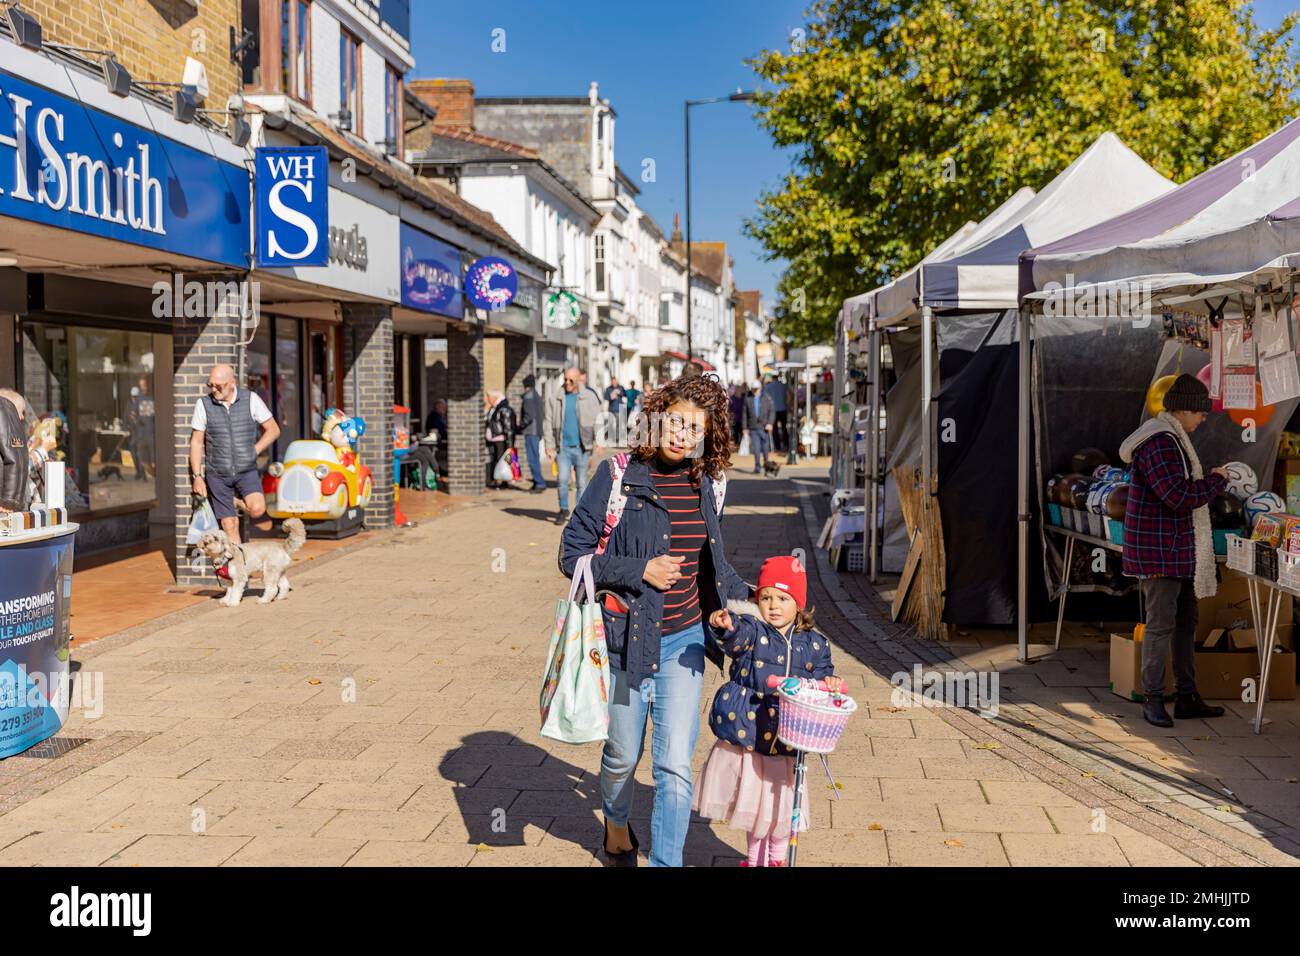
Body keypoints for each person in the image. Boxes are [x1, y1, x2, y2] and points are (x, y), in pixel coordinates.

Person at [559, 375, 751, 867]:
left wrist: (750, 608)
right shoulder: (618, 474)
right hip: (626, 637)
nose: (681, 434)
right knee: (623, 756)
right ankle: (616, 825)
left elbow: (713, 563)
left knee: (673, 766)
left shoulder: (710, 483)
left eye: (694, 428)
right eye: (676, 421)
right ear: (658, 414)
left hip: (685, 639)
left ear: (708, 435)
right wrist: (637, 569)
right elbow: (571, 554)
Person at [694, 556, 843, 866]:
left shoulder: (814, 645)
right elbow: (736, 638)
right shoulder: (753, 630)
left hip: (788, 740)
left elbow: (824, 674)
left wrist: (830, 681)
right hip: (751, 734)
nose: (773, 606)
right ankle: (753, 859)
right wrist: (726, 626)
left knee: (781, 807)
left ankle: (776, 859)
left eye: (783, 599)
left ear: (799, 603)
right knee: (755, 809)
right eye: (766, 597)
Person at [1119, 373, 1230, 728]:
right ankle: (1153, 699)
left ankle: (1187, 696)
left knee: (1185, 623)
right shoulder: (1161, 443)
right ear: (1184, 410)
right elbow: (1178, 497)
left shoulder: (1171, 439)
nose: (1204, 418)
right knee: (1161, 625)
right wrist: (1217, 480)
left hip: (1177, 549)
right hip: (1161, 551)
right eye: (1201, 412)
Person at [190, 364, 280, 548]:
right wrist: (197, 477)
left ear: (232, 383)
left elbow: (273, 429)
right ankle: (240, 571)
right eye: (211, 385)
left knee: (257, 509)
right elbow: (196, 442)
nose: (213, 389)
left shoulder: (251, 399)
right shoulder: (203, 404)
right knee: (230, 524)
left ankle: (235, 502)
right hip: (218, 474)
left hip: (246, 470)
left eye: (218, 385)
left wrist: (254, 450)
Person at [547, 367, 602, 521]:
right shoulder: (556, 397)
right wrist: (549, 444)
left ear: (578, 380)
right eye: (565, 379)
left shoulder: (589, 396)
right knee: (562, 480)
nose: (567, 382)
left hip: (582, 447)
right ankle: (563, 509)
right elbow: (549, 421)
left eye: (571, 380)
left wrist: (599, 440)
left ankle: (578, 514)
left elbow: (598, 419)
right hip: (563, 447)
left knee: (581, 483)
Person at [0, 388, 30, 512]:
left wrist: (9, 501)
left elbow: (16, 459)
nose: (22, 417)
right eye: (21, 412)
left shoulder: (3, 410)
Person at [484, 390, 516, 490]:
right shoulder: (495, 408)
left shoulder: (503, 409)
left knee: (502, 460)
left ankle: (502, 481)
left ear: (494, 398)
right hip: (494, 439)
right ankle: (499, 480)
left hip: (500, 440)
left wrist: (510, 444)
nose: (488, 400)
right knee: (497, 460)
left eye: (489, 397)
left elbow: (508, 427)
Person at [519, 375, 546, 494]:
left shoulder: (528, 397)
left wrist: (520, 425)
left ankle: (539, 483)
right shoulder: (537, 395)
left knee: (532, 458)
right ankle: (537, 482)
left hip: (531, 431)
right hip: (537, 430)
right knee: (535, 457)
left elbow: (529, 416)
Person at [742, 380, 775, 474]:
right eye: (753, 389)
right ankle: (757, 467)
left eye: (756, 389)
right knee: (756, 449)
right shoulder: (748, 398)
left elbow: (772, 411)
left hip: (764, 427)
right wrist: (744, 427)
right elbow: (744, 413)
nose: (755, 391)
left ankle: (767, 467)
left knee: (765, 449)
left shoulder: (766, 397)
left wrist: (770, 423)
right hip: (753, 427)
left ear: (760, 388)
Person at [127, 375, 155, 481]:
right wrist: (135, 420)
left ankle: (157, 482)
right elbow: (132, 414)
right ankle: (151, 477)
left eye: (145, 384)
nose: (144, 387)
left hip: (153, 434)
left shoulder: (154, 397)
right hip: (141, 435)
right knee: (144, 461)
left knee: (155, 461)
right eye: (142, 385)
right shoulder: (138, 398)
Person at [764, 374, 788, 452]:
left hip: (773, 410)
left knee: (775, 429)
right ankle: (786, 444)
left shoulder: (768, 386)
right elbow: (789, 395)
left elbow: (765, 398)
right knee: (784, 428)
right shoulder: (783, 386)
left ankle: (777, 446)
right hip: (782, 408)